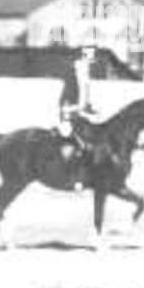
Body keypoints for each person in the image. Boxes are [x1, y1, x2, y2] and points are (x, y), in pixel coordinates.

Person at [56, 47, 97, 189]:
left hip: (76, 112)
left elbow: (84, 96)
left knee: (90, 142)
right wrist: (76, 109)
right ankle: (73, 178)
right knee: (79, 145)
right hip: (69, 111)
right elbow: (69, 98)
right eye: (88, 58)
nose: (90, 63)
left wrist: (88, 107)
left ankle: (85, 176)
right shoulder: (76, 73)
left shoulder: (83, 74)